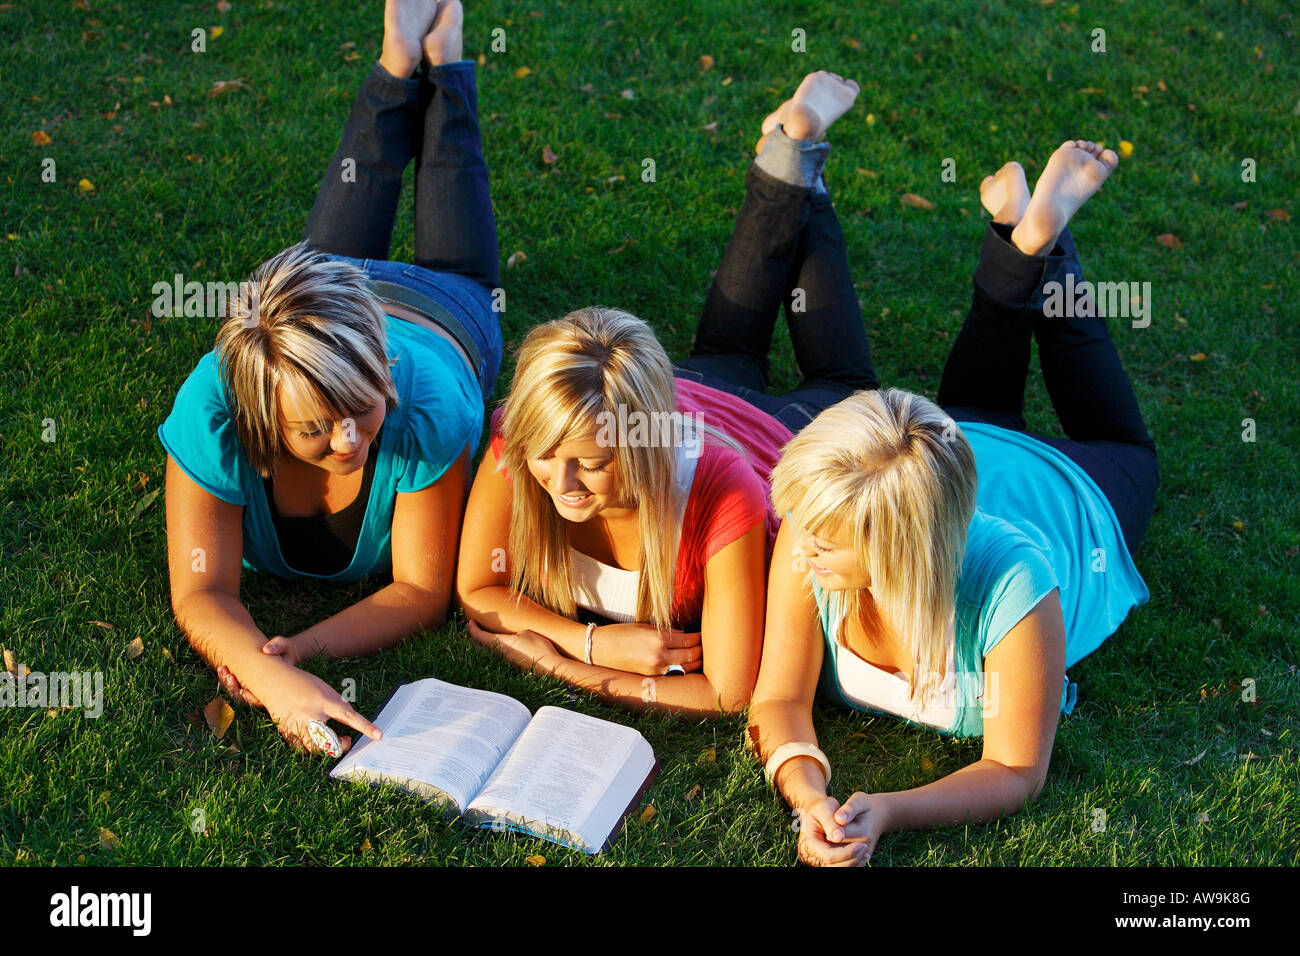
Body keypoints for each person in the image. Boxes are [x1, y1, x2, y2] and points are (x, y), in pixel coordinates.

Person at [747, 130, 1159, 864]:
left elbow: (1015, 769)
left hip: (1073, 488)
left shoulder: (1015, 589)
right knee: (972, 404)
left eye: (822, 537)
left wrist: (888, 811)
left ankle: (1046, 242)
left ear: (897, 546)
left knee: (1125, 446)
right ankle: (1025, 236)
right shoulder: (820, 535)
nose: (796, 542)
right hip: (952, 448)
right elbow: (778, 700)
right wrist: (809, 794)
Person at [456, 72, 870, 718]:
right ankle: (790, 152)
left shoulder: (725, 494)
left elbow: (729, 692)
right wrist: (590, 641)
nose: (559, 482)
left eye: (591, 464)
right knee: (728, 351)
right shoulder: (542, 428)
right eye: (543, 455)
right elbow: (478, 586)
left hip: (779, 428)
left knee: (843, 385)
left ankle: (800, 168)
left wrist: (560, 665)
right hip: (683, 391)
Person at [159, 0, 501, 754]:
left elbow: (420, 591)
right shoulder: (214, 408)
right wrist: (265, 673)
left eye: (364, 407)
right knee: (340, 226)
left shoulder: (427, 409)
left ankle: (440, 61)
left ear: (385, 378)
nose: (350, 439)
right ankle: (403, 58)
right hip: (320, 305)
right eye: (316, 426)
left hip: (439, 312)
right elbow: (203, 589)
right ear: (260, 414)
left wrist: (299, 652)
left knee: (449, 168)